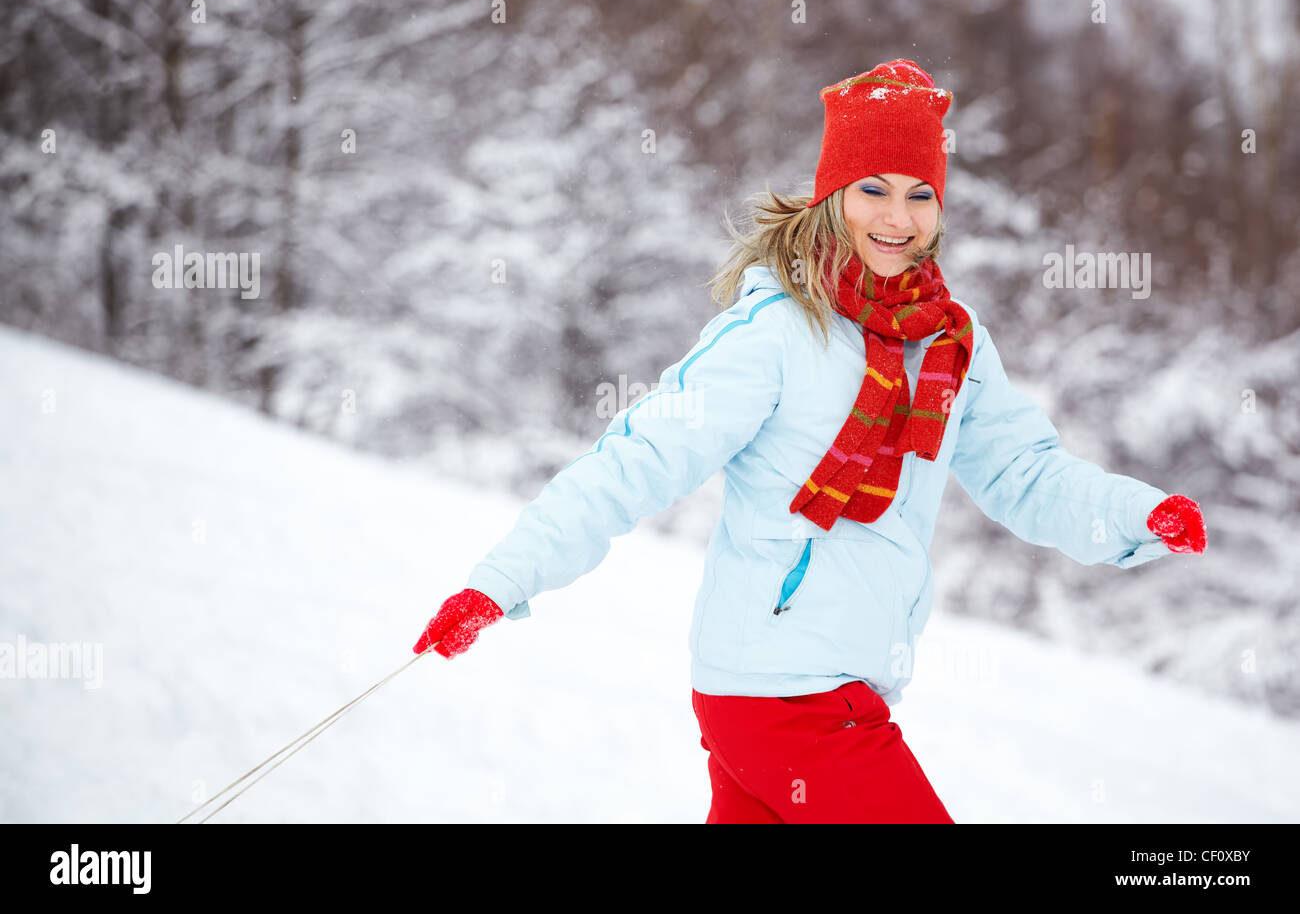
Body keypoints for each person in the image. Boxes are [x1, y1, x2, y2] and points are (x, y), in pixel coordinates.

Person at [411, 59, 1208, 823]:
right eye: (873, 190)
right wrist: (501, 581)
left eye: (921, 195)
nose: (898, 218)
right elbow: (637, 460)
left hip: (830, 686)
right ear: (833, 195)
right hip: (781, 696)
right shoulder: (777, 333)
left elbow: (1024, 473)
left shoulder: (952, 344)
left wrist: (1139, 515)